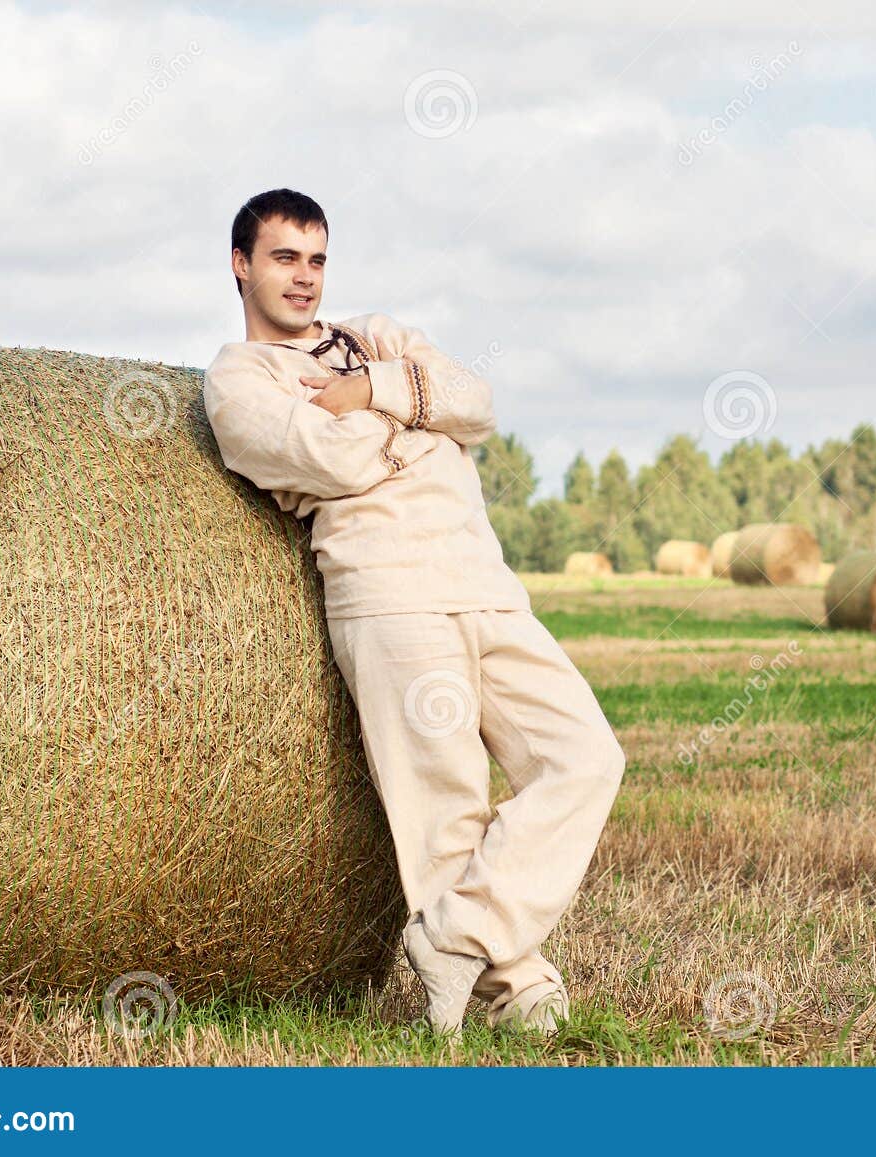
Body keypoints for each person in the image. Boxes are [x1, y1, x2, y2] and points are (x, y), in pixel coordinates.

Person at [200, 188, 625, 1038]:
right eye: (285, 257)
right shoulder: (239, 376)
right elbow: (309, 453)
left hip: (485, 580)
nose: (304, 278)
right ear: (242, 263)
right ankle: (516, 989)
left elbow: (479, 402)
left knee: (587, 756)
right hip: (388, 590)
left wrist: (369, 394)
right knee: (446, 802)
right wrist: (418, 427)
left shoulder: (375, 338)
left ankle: (453, 939)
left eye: (317, 259)